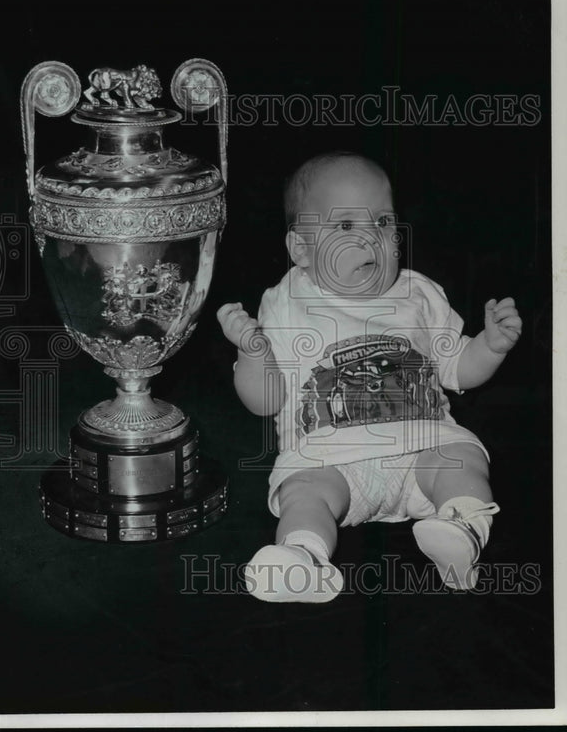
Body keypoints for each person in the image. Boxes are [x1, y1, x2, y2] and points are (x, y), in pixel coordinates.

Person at [217, 152, 522, 603]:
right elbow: (265, 401)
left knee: (463, 456)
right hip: (329, 458)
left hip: (422, 447)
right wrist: (253, 353)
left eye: (383, 222)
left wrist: (489, 347)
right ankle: (303, 557)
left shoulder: (419, 294)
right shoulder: (285, 303)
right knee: (303, 492)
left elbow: (458, 368)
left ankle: (461, 529)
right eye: (344, 227)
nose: (371, 240)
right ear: (300, 248)